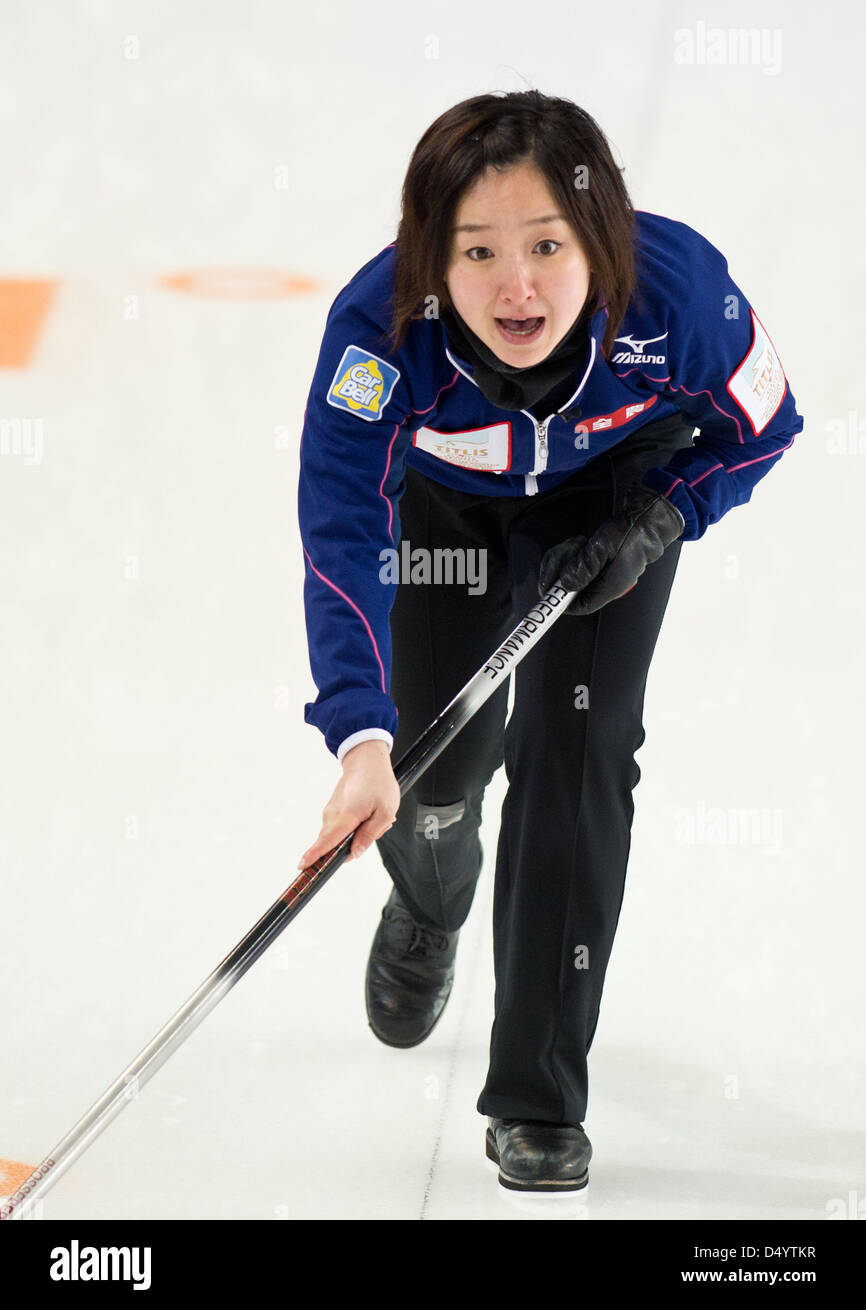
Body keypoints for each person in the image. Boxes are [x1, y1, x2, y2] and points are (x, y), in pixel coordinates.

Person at [295, 90, 803, 1195]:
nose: (512, 286)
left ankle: (535, 1095)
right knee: (433, 777)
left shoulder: (680, 297)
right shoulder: (378, 331)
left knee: (577, 762)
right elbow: (341, 532)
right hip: (446, 517)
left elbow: (763, 426)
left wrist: (668, 512)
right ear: (432, 257)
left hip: (611, 504)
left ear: (600, 239)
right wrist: (358, 736)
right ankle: (428, 894)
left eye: (545, 245)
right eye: (474, 251)